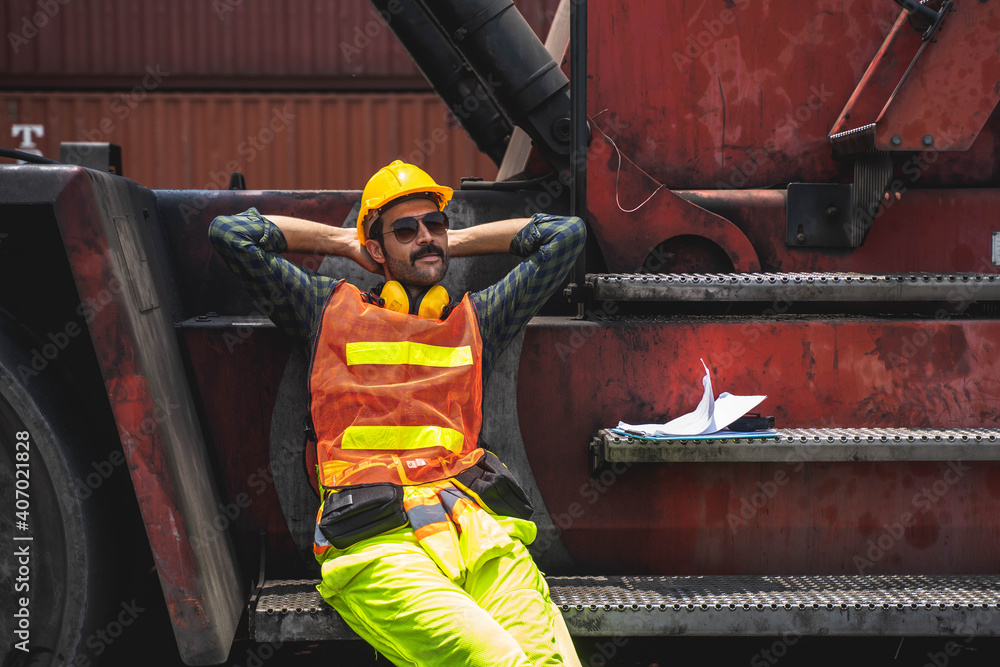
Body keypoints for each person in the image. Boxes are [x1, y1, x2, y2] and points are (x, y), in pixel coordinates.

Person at [209, 160, 585, 666]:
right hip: (377, 544)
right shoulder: (323, 309)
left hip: (478, 536)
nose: (425, 237)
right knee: (500, 661)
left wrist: (449, 241)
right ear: (376, 249)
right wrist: (345, 242)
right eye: (405, 230)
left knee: (549, 660)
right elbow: (232, 234)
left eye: (435, 225)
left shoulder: (479, 320)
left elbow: (565, 235)